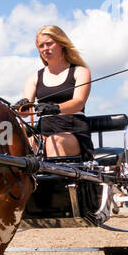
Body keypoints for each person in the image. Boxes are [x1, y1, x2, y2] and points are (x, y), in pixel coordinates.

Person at [16, 25, 93, 158]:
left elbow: (78, 102)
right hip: (44, 132)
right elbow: (25, 112)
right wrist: (21, 107)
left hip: (72, 133)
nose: (45, 49)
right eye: (41, 46)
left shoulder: (80, 72)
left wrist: (55, 108)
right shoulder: (34, 77)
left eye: (49, 44)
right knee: (22, 144)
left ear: (61, 44)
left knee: (53, 142)